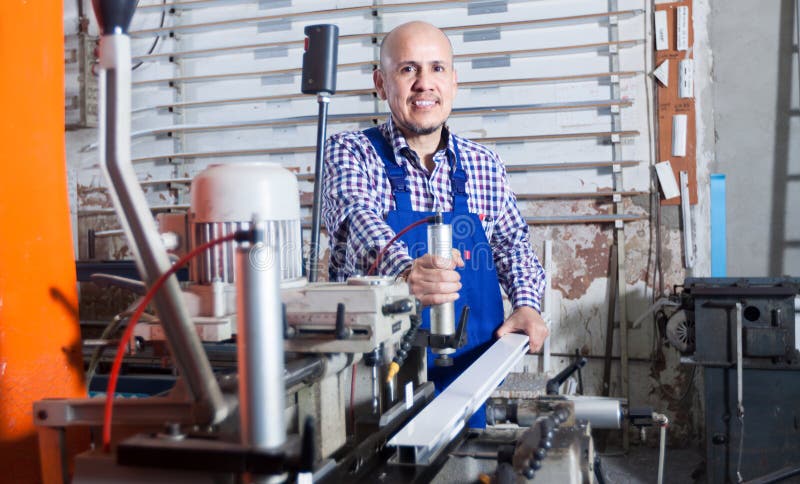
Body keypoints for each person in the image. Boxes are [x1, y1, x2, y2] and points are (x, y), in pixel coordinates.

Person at [321, 21, 547, 426]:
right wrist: (405, 273)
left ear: (454, 82)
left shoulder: (484, 164)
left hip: (470, 376)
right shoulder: (350, 153)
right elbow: (357, 217)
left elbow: (514, 246)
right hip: (374, 381)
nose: (424, 83)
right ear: (381, 82)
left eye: (437, 69)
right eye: (408, 69)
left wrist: (528, 304)